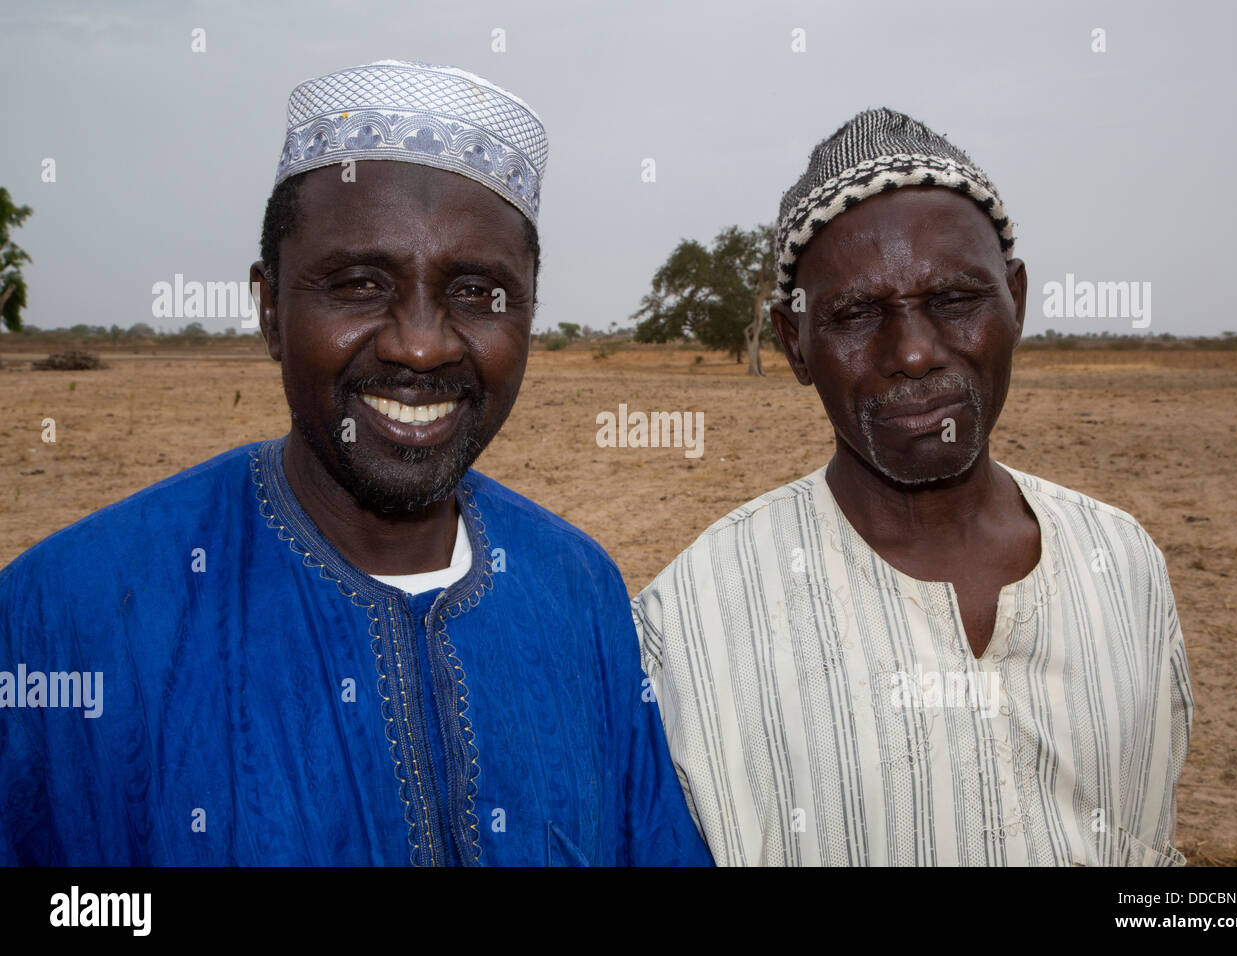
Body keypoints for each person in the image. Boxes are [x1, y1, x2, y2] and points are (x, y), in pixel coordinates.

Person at [0, 60, 711, 867]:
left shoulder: (578, 590)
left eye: (477, 293)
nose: (420, 343)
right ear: (270, 309)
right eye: (360, 283)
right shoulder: (64, 617)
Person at [633, 108, 1194, 866]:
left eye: (957, 301)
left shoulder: (1123, 565)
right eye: (858, 314)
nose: (915, 353)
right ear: (793, 343)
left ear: (1016, 301)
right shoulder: (689, 621)